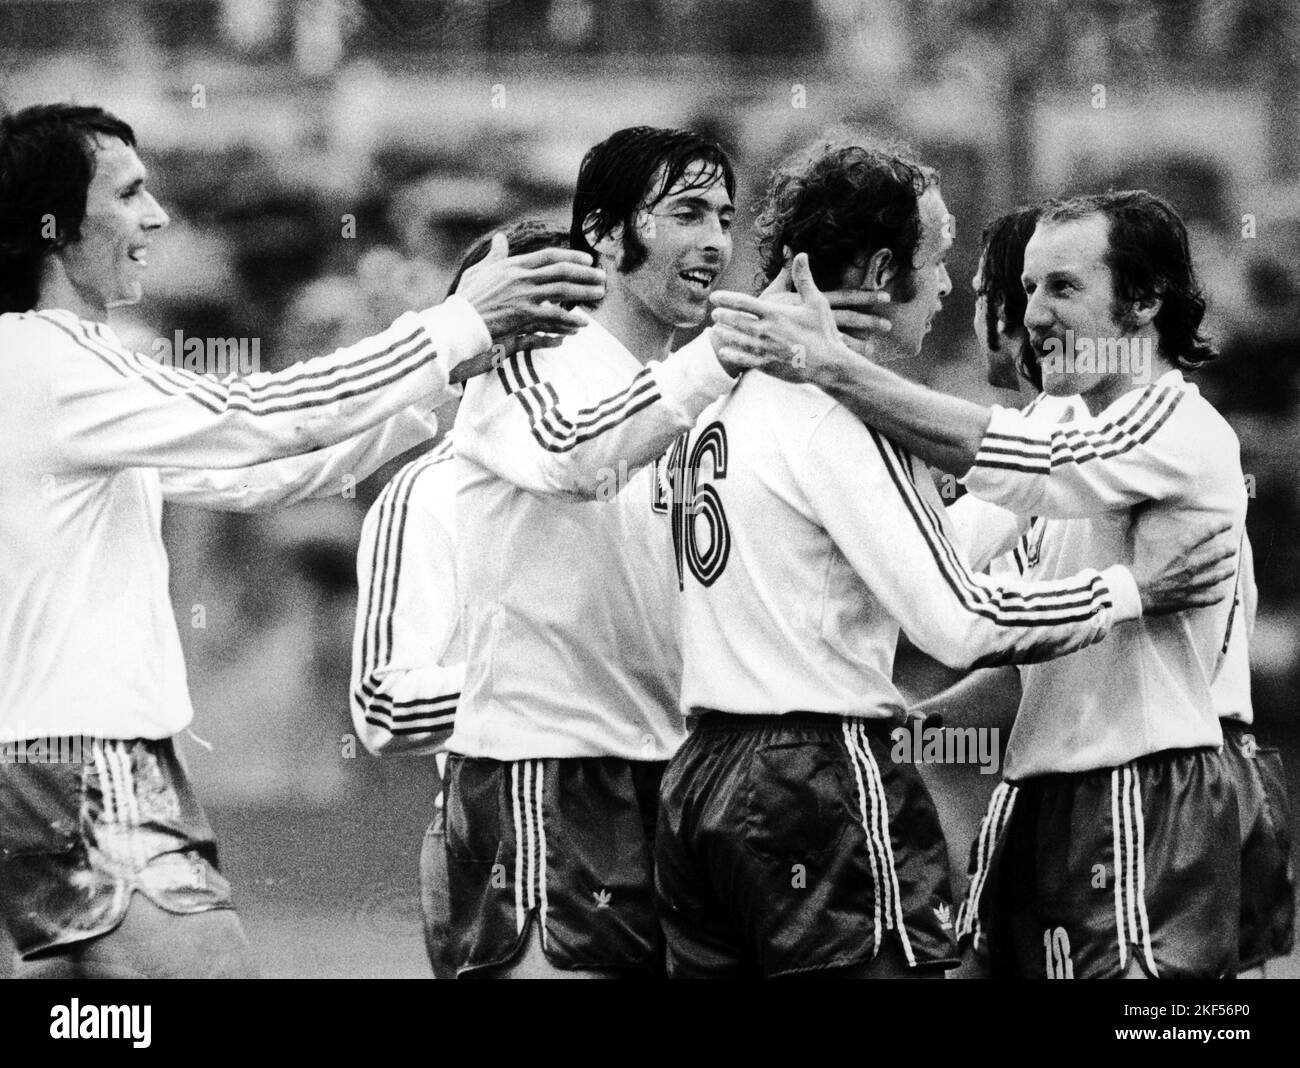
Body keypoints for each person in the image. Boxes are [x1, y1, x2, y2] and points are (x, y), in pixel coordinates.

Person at [0, 102, 604, 979]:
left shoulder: (60, 365)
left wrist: (442, 385)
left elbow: (265, 476)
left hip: (71, 755)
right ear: (56, 224)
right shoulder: (50, 364)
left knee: (87, 1018)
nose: (156, 215)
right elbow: (261, 416)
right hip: (86, 763)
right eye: (129, 193)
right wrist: (454, 325)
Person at [711, 187, 1247, 978]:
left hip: (1140, 788)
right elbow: (942, 569)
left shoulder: (1175, 424)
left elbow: (1010, 464)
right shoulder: (1062, 419)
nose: (1030, 316)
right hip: (1037, 795)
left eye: (1062, 288)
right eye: (1028, 289)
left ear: (1143, 301)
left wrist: (835, 371)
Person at [349, 220, 572, 979]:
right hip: (508, 831)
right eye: (526, 316)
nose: (555, 345)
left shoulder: (640, 469)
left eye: (576, 316)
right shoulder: (429, 493)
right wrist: (555, 681)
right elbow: (384, 706)